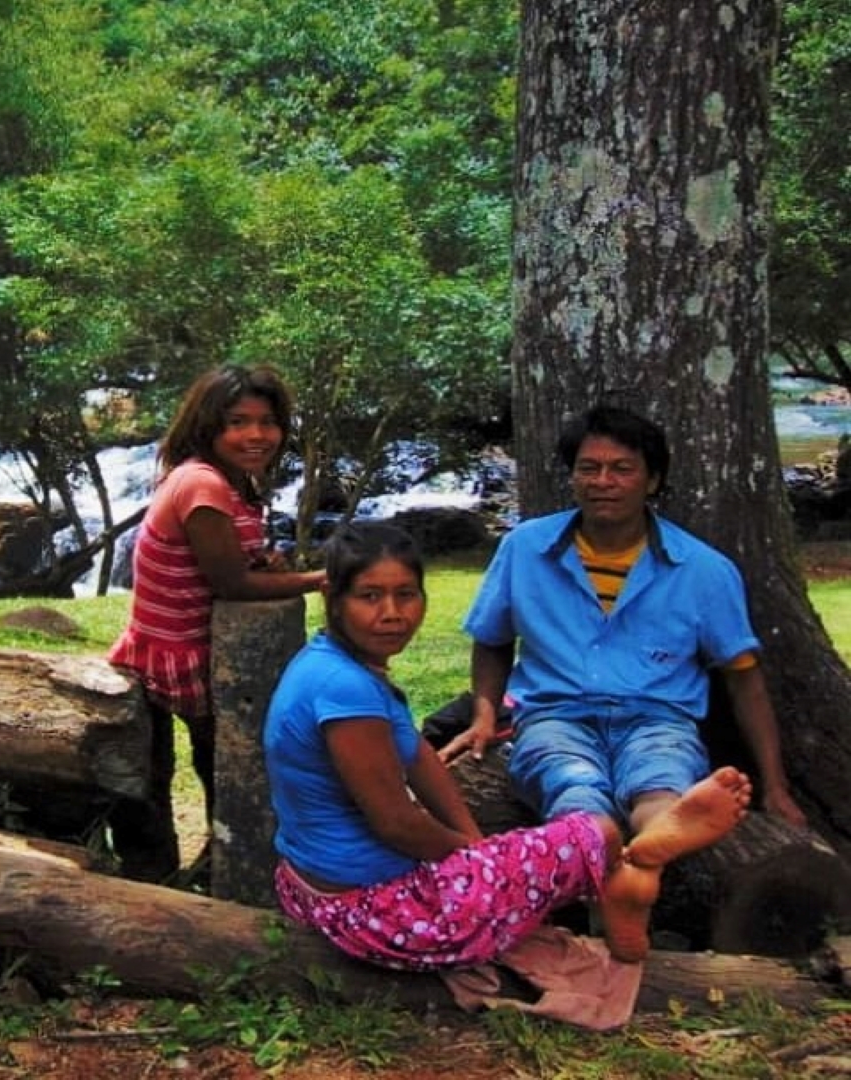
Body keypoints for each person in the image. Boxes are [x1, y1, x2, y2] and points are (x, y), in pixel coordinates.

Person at [265, 522, 751, 970]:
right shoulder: (343, 689)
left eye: (406, 595)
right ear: (332, 597)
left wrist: (479, 847)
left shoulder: (345, 667)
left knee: (562, 840)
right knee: (597, 832)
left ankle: (632, 867)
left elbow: (419, 759)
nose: (392, 614)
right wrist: (471, 860)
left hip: (335, 888)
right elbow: (395, 822)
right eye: (370, 596)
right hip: (373, 912)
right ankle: (633, 866)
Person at [442, 405, 807, 834]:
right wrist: (484, 718)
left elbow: (744, 677)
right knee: (573, 792)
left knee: (660, 784)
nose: (603, 482)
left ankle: (658, 836)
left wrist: (776, 787)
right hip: (555, 718)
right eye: (589, 468)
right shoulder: (525, 549)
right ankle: (612, 847)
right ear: (573, 476)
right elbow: (491, 639)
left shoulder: (703, 570)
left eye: (622, 469)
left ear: (652, 480)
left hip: (659, 721)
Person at [105, 364, 326, 882]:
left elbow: (224, 563)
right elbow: (231, 585)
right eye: (238, 422)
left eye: (267, 422)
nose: (256, 435)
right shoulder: (203, 484)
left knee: (180, 774)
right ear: (209, 426)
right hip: (182, 659)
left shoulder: (222, 477)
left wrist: (262, 560)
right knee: (224, 774)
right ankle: (191, 876)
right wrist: (318, 579)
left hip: (166, 644)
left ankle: (192, 871)